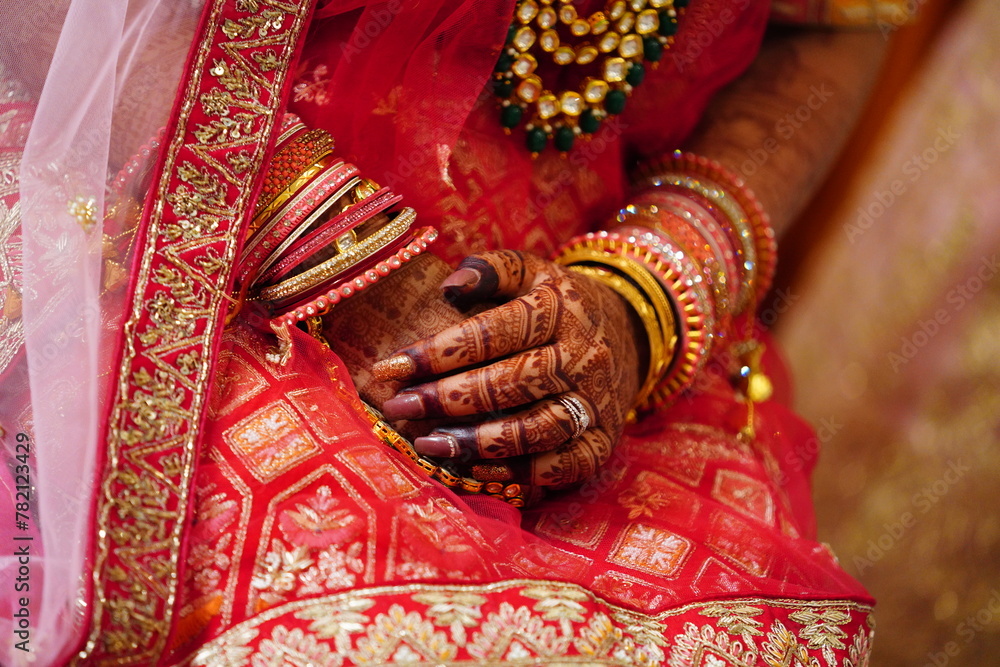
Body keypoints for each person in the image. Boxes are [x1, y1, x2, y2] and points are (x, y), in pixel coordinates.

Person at [0, 0, 913, 664]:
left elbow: (834, 18)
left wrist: (646, 295)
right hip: (184, 200)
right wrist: (345, 266)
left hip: (587, 297)